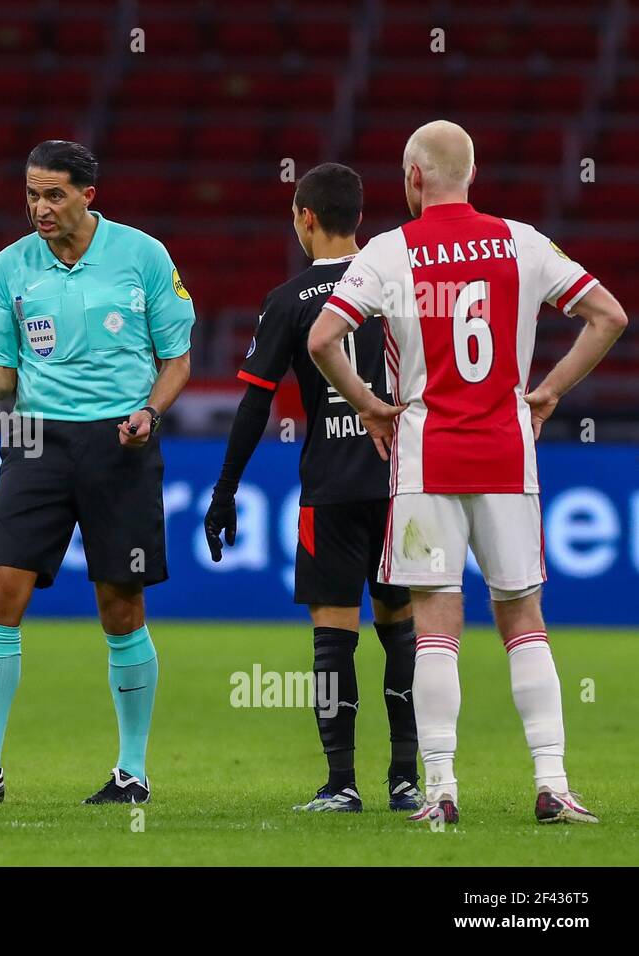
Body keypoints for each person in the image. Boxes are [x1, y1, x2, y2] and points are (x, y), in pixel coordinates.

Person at [308, 120, 627, 825]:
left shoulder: (390, 251)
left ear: (415, 177)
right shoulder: (522, 240)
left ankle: (442, 791)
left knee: (435, 626)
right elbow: (608, 315)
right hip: (507, 456)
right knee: (522, 617)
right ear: (470, 174)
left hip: (426, 458)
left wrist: (369, 405)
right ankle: (552, 782)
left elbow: (323, 338)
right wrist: (548, 393)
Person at [0, 140, 194, 805]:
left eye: (53, 195)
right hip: (36, 438)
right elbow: (2, 375)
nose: (39, 208)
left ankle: (131, 771)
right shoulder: (11, 267)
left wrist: (150, 415)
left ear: (86, 196)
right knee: (0, 592)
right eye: (31, 196)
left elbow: (177, 360)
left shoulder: (143, 257)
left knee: (120, 607)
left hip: (121, 443)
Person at [206, 162, 421, 813]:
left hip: (329, 489)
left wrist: (225, 491)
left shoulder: (289, 298)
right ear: (358, 216)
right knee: (403, 627)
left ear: (305, 216)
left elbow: (254, 406)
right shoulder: (400, 286)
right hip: (401, 483)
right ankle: (408, 779)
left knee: (334, 634)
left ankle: (341, 783)